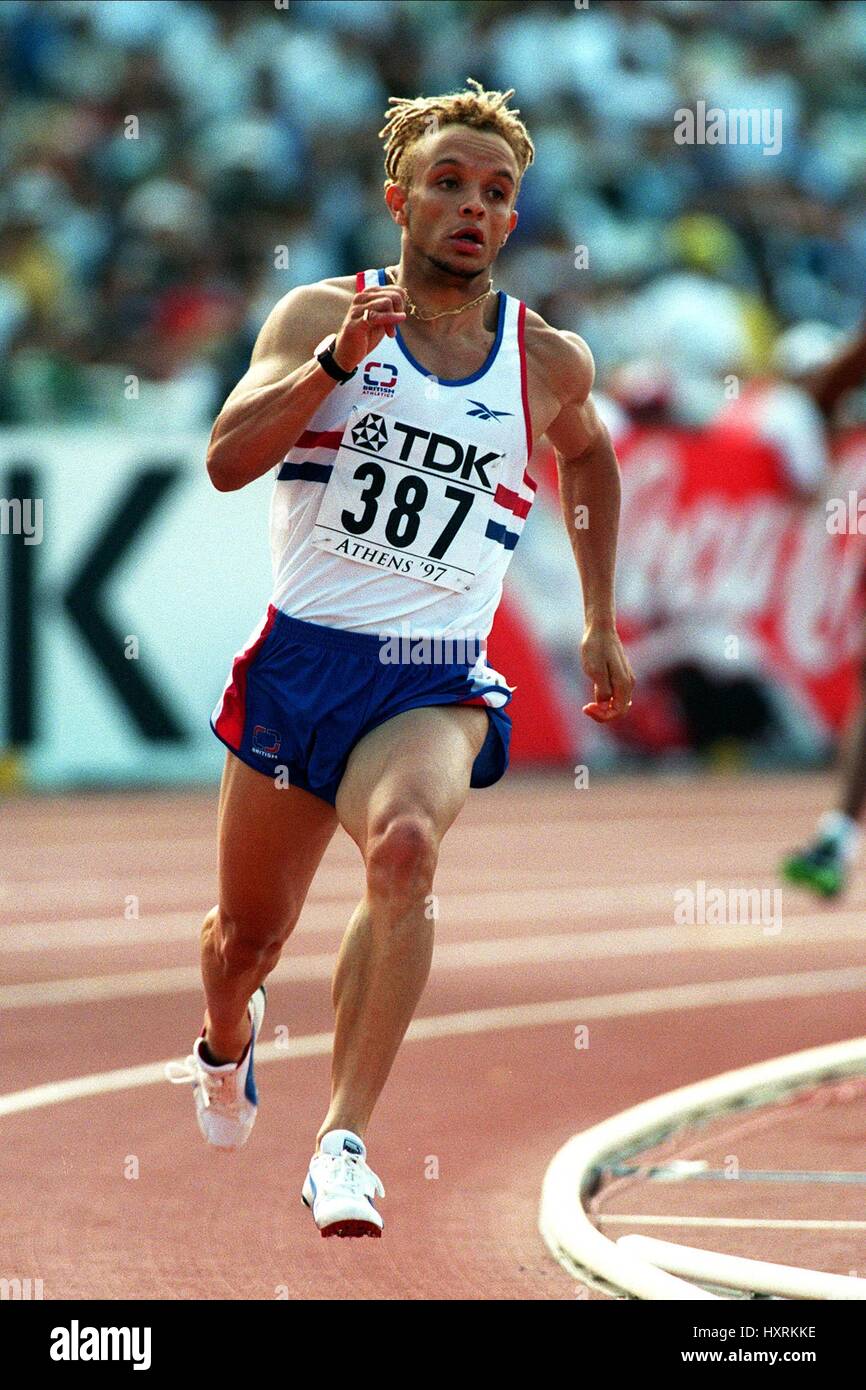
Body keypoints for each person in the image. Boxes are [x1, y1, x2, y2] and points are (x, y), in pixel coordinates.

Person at [166, 80, 634, 1238]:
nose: (472, 207)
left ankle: (342, 1142)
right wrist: (332, 364)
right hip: (302, 669)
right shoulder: (317, 314)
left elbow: (589, 463)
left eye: (495, 193)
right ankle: (224, 1045)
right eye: (449, 183)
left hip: (431, 677)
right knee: (244, 944)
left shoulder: (546, 359)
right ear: (399, 199)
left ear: (512, 220)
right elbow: (226, 461)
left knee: (408, 848)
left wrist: (596, 614)